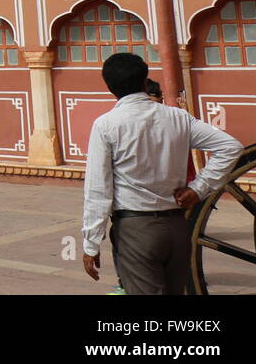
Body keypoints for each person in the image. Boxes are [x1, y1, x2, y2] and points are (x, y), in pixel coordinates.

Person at [82, 53, 242, 295]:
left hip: (136, 229)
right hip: (177, 226)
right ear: (145, 81)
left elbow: (98, 190)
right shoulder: (177, 117)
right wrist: (199, 188)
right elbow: (231, 147)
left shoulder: (106, 125)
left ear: (110, 88)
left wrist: (91, 242)